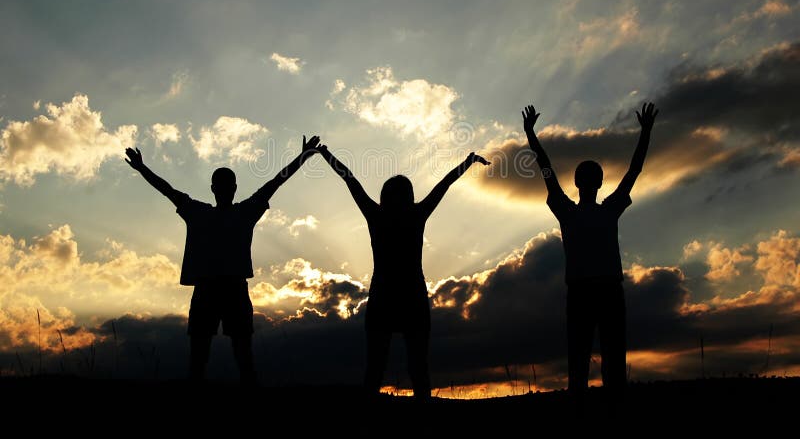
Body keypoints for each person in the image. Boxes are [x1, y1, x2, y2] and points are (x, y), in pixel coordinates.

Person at [124, 135, 321, 384]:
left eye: (226, 184)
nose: (225, 188)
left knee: (229, 355)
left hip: (225, 289)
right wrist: (142, 168)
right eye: (223, 184)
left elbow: (275, 183)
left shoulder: (219, 212)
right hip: (216, 290)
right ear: (221, 188)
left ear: (221, 188)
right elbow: (168, 190)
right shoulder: (219, 212)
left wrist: (302, 157)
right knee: (211, 355)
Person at [317, 144, 489, 401]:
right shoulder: (414, 213)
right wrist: (467, 163)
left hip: (386, 296)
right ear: (408, 195)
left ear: (385, 195)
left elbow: (349, 179)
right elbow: (444, 185)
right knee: (416, 368)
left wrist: (325, 154)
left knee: (378, 368)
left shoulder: (378, 214)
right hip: (410, 295)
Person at [521, 102, 658, 405]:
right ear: (596, 182)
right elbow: (634, 170)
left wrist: (532, 134)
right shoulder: (594, 211)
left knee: (595, 362)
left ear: (584, 182)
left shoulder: (587, 211)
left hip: (599, 290)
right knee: (588, 362)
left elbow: (547, 170)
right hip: (593, 291)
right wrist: (531, 136)